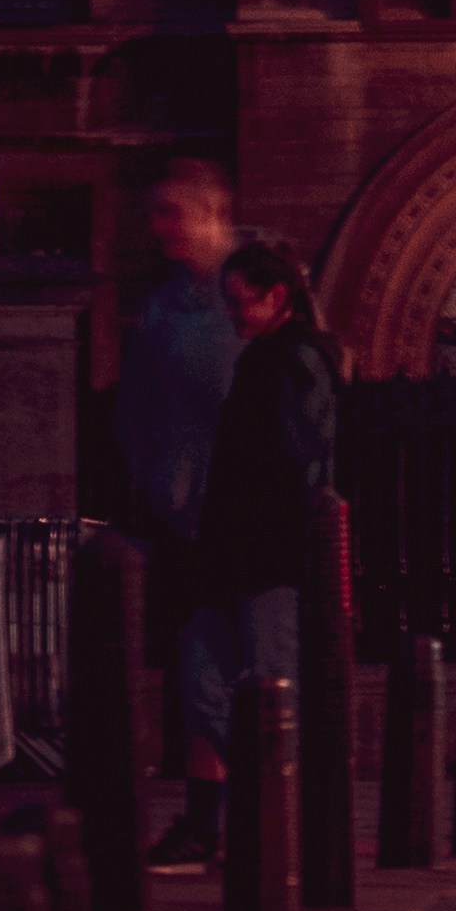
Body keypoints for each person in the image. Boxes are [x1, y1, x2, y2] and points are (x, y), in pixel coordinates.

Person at [162, 240, 341, 870]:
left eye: (243, 303)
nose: (233, 315)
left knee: (267, 694)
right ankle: (260, 808)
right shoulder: (265, 359)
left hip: (270, 562)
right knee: (203, 685)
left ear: (277, 298)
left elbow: (294, 464)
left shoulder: (292, 362)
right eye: (228, 303)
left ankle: (275, 819)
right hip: (234, 559)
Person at [119, 156, 240, 864]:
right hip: (185, 513)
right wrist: (156, 475)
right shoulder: (164, 306)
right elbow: (138, 403)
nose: (159, 227)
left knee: (248, 666)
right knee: (197, 671)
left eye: (173, 211)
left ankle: (255, 811)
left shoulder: (253, 290)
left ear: (210, 211)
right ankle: (205, 818)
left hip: (249, 514)